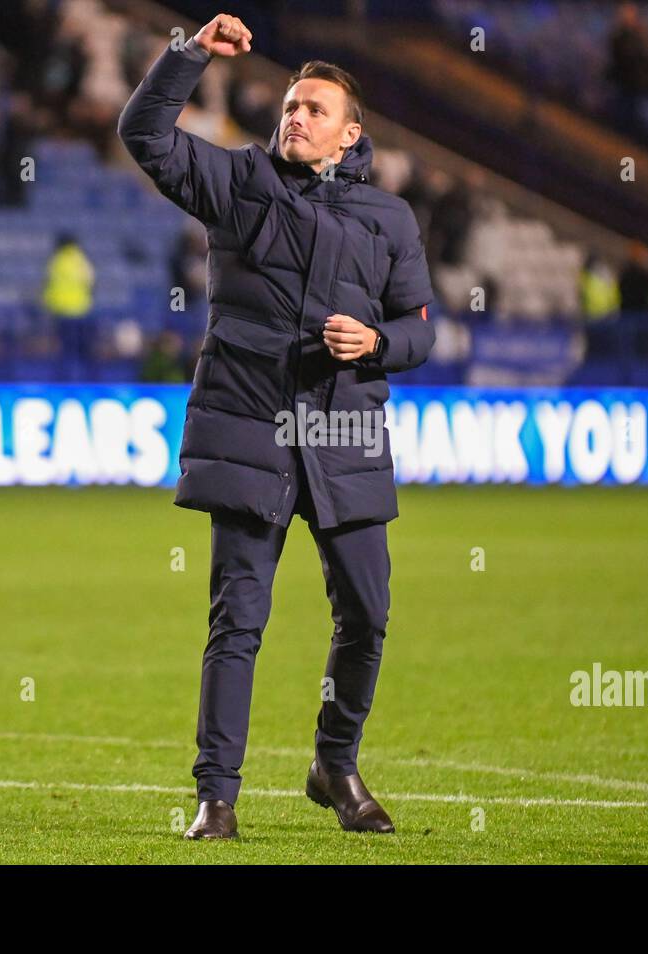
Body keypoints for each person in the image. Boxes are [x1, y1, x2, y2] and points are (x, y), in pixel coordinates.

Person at [118, 13, 435, 840]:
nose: (295, 115)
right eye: (290, 104)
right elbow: (143, 132)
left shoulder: (390, 219)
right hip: (251, 428)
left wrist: (376, 343)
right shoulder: (237, 182)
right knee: (238, 621)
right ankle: (216, 798)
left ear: (349, 133)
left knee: (367, 612)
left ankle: (335, 763)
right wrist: (190, 55)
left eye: (315, 108)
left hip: (345, 437)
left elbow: (421, 329)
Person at [41, 232, 94, 370]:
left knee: (66, 348)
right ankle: (83, 378)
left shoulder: (56, 261)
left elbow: (49, 286)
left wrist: (48, 304)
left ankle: (66, 377)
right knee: (81, 348)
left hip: (62, 311)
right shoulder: (81, 260)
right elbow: (90, 282)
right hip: (81, 310)